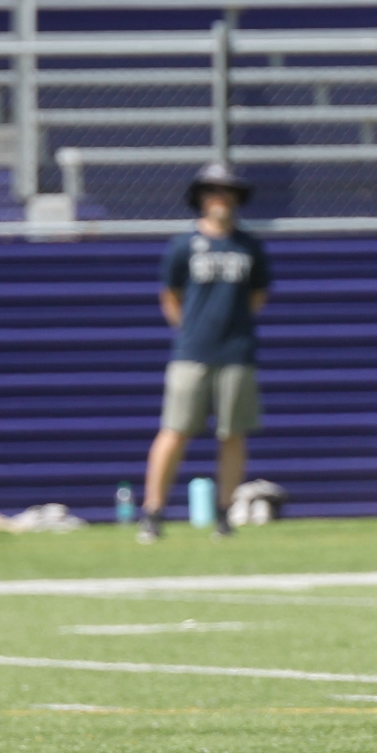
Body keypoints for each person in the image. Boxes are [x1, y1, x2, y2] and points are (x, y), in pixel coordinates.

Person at [139, 162, 271, 543]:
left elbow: (257, 295)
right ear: (201, 197)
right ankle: (153, 511)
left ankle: (225, 513)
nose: (221, 199)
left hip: (237, 353)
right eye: (214, 191)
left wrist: (234, 327)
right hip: (192, 353)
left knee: (233, 434)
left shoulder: (249, 246)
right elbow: (171, 297)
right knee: (175, 430)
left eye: (227, 191)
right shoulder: (184, 246)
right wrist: (192, 331)